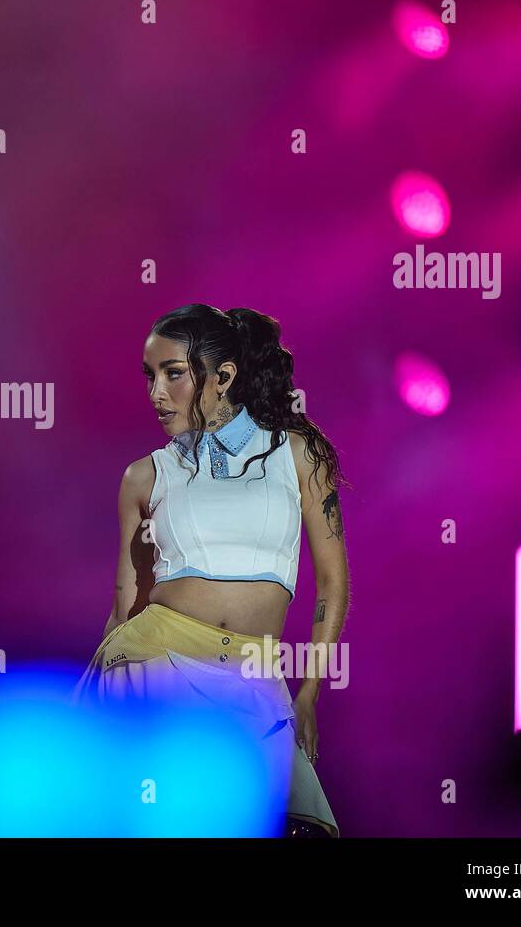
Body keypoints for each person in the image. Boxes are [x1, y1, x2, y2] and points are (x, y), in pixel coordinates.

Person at [73, 304, 349, 837]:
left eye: (173, 373)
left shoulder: (297, 454)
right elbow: (125, 606)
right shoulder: (144, 475)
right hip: (154, 662)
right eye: (150, 376)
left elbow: (332, 582)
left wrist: (310, 690)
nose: (156, 392)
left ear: (223, 376)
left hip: (253, 678)